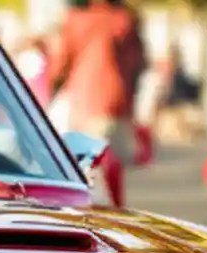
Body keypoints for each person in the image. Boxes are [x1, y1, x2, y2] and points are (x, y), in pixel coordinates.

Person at [48, 0, 145, 167]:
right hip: (118, 101)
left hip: (84, 102)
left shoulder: (75, 20)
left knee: (87, 168)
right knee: (117, 169)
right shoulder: (125, 19)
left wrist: (52, 88)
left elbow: (60, 63)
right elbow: (137, 63)